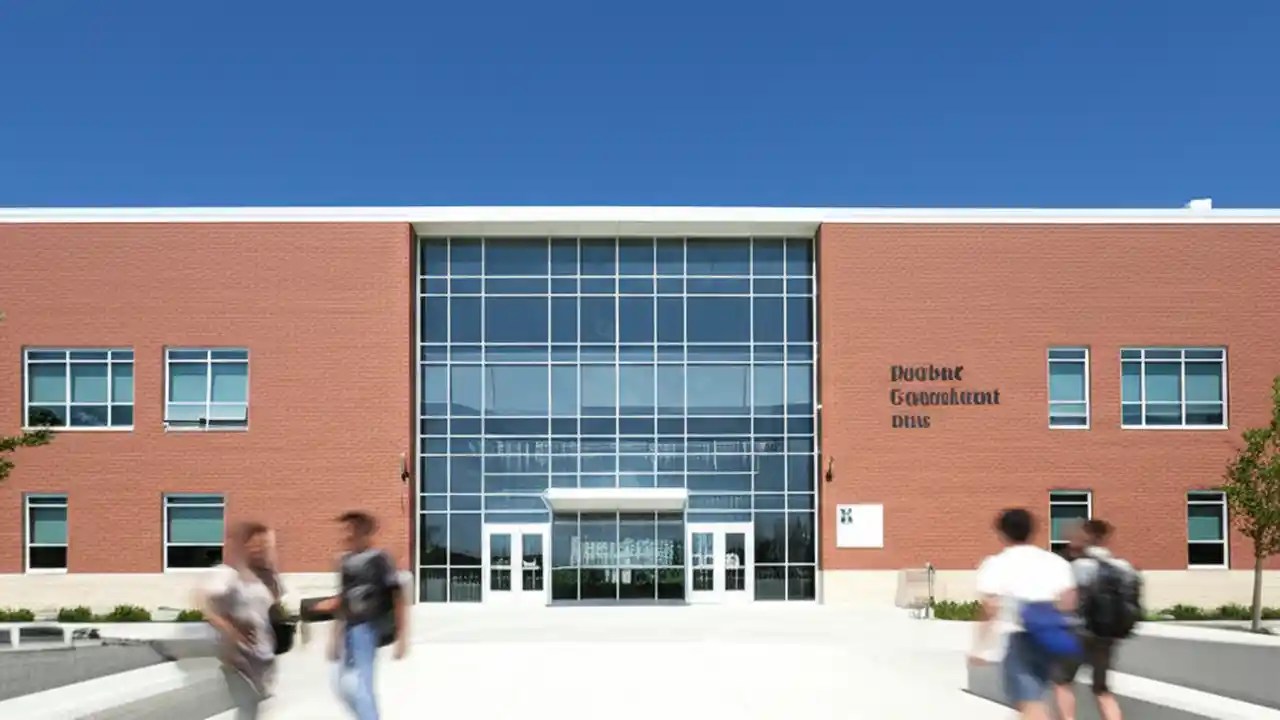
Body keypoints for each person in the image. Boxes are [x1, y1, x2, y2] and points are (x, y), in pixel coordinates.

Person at [969, 508, 1077, 720]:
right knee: (1042, 695)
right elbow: (1069, 601)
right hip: (1056, 636)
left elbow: (991, 607)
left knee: (1029, 702)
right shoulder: (1055, 562)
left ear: (1002, 533)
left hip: (1022, 636)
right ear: (1033, 531)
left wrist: (980, 647)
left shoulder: (997, 564)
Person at [324, 511, 409, 720]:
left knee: (363, 685)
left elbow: (397, 596)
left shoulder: (379, 559)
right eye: (344, 530)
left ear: (364, 531)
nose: (346, 534)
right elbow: (343, 600)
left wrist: (402, 635)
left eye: (350, 529)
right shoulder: (344, 562)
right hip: (349, 628)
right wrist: (335, 637)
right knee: (340, 684)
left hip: (368, 628)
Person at [1052, 519, 1139, 720]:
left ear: (1086, 538)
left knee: (1062, 682)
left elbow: (1067, 601)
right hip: (1108, 636)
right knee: (1102, 690)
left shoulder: (1080, 567)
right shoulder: (1123, 567)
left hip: (1078, 633)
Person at [201, 522, 284, 720]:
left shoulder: (266, 575)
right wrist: (231, 630)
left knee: (253, 710)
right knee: (247, 709)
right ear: (244, 546)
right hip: (239, 657)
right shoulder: (227, 575)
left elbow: (275, 602)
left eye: (265, 545)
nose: (261, 549)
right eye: (257, 544)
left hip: (264, 655)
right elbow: (207, 608)